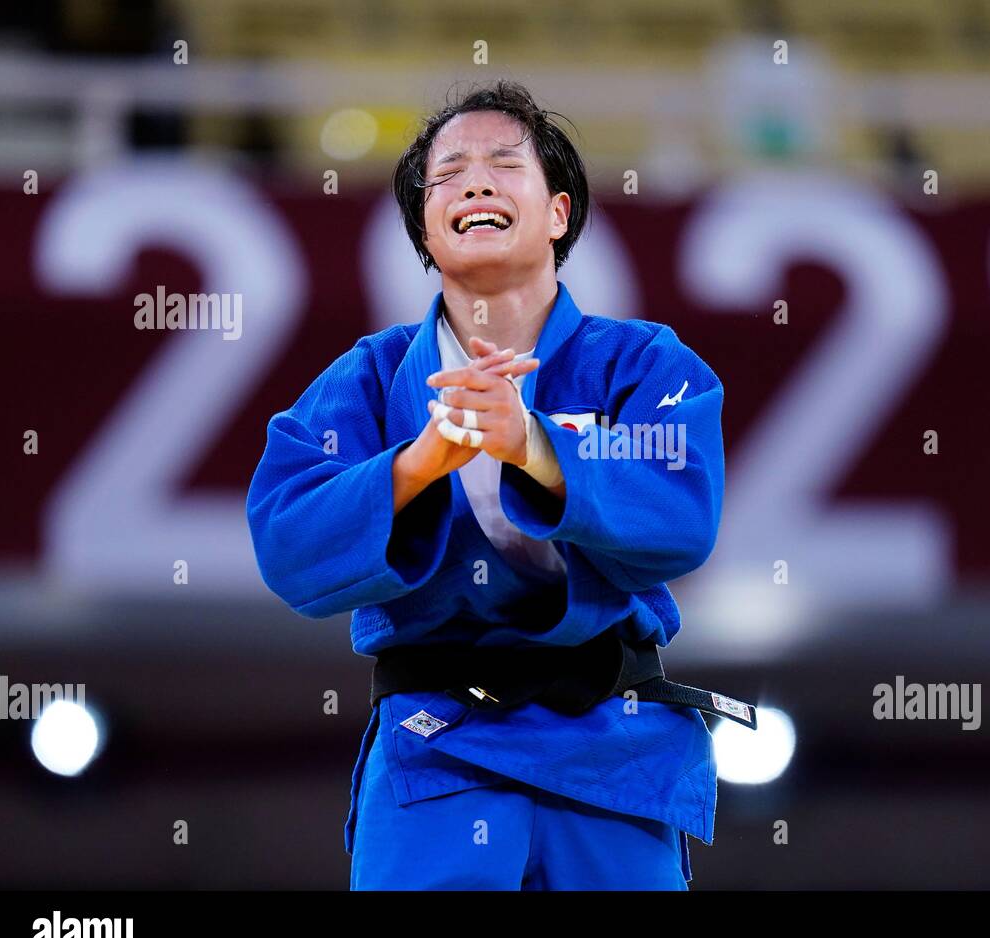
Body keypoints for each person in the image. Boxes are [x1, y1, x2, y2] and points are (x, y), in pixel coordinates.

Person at [246, 80, 754, 890]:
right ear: (424, 226)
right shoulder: (371, 381)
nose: (474, 181)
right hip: (435, 750)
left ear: (557, 212)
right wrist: (417, 464)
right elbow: (287, 543)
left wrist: (533, 447)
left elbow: (683, 515)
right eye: (446, 174)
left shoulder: (643, 364)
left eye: (503, 163)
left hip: (612, 753)